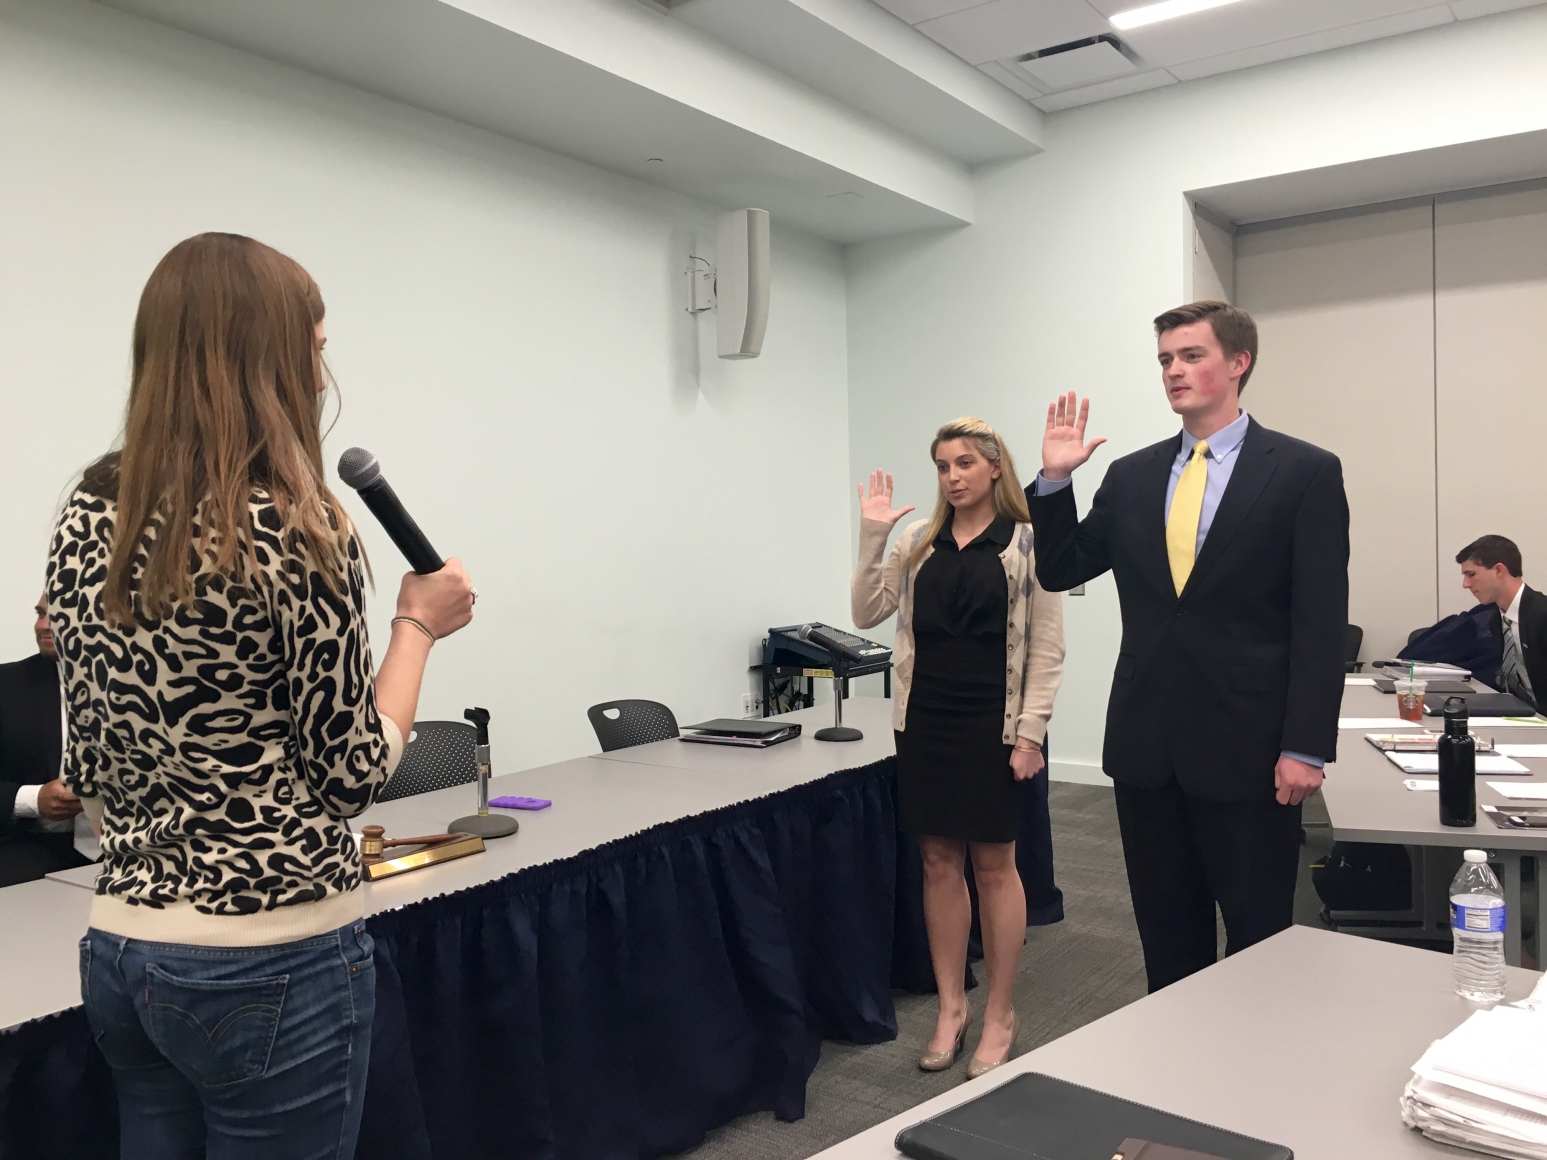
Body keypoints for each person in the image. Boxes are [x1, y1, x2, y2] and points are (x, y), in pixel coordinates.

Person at [47, 233, 475, 1160]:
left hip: (122, 945)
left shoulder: (90, 510)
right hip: (268, 951)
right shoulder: (295, 523)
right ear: (271, 355)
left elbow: (86, 758)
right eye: (315, 341)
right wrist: (417, 626)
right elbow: (351, 772)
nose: (325, 361)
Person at [1027, 301, 1348, 993]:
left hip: (1252, 747)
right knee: (1166, 935)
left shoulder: (1302, 472)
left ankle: (1254, 1072)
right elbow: (1059, 568)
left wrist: (1305, 746)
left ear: (1238, 363)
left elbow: (1319, 623)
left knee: (1260, 934)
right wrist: (1054, 480)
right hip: (1148, 746)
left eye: (1190, 355)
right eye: (1165, 360)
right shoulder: (1132, 476)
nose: (1174, 371)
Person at [852, 417, 1064, 1078]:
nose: (953, 476)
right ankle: (952, 1007)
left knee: (995, 865)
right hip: (925, 721)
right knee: (937, 862)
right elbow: (865, 613)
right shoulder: (918, 539)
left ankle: (999, 1011)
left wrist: (1030, 734)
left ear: (994, 468)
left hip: (993, 725)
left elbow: (1048, 651)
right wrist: (873, 535)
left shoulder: (1030, 542)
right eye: (944, 465)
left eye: (965, 463)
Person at [0, 593, 95, 886]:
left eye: (57, 615)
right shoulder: (7, 686)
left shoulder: (150, 687)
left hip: (131, 849)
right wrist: (31, 800)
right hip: (30, 848)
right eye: (40, 614)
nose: (42, 625)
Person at [1457, 535, 1547, 712]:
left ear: (1498, 570)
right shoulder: (1495, 619)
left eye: (1471, 574)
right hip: (1519, 716)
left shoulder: (1542, 615)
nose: (1465, 584)